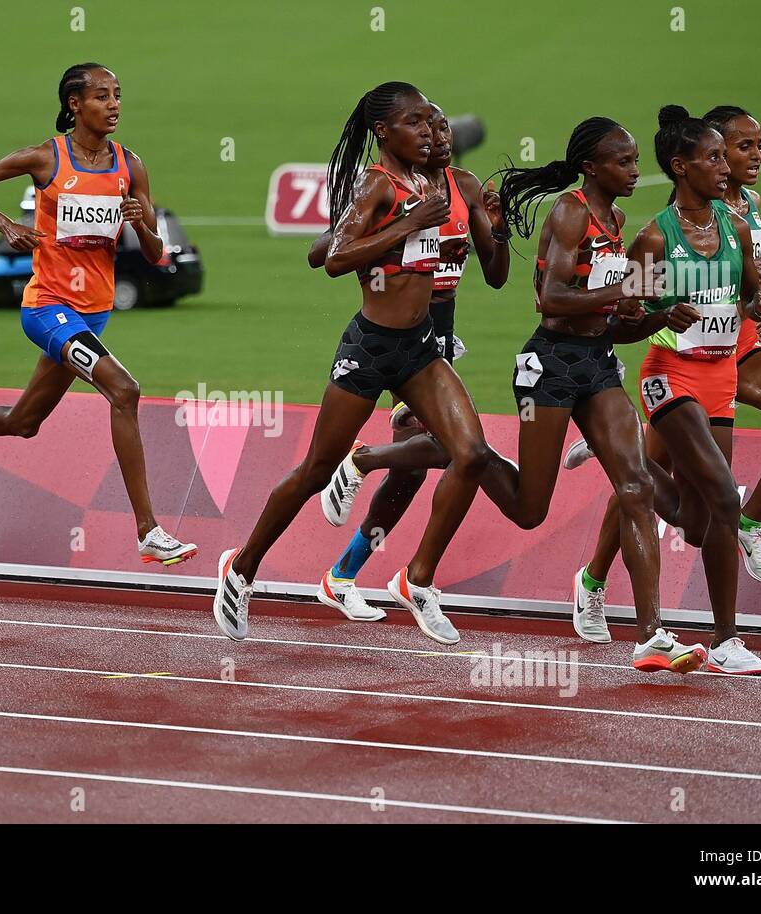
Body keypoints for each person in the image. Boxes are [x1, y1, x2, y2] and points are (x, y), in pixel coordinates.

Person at [324, 117, 710, 672]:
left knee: (636, 485)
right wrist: (618, 291)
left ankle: (650, 634)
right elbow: (551, 300)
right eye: (623, 162)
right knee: (528, 508)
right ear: (590, 167)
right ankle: (440, 470)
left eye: (633, 161)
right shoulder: (570, 212)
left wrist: (653, 314)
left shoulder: (618, 221)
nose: (634, 170)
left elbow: (612, 319)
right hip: (548, 368)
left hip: (598, 367)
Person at [212, 82, 490, 645]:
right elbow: (336, 259)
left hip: (419, 349)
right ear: (383, 133)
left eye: (428, 123)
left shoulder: (427, 184)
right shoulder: (377, 184)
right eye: (412, 124)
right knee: (316, 470)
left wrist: (455, 237)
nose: (427, 133)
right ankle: (241, 568)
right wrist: (410, 226)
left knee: (471, 454)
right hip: (369, 349)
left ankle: (419, 580)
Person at [0, 63, 196, 567]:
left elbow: (154, 255)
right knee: (123, 390)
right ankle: (148, 530)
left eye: (118, 95)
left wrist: (140, 226)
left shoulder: (131, 165)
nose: (114, 105)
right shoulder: (47, 158)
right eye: (102, 96)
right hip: (48, 307)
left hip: (94, 313)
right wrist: (5, 224)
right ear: (74, 104)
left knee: (24, 422)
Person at [567, 105, 761, 588]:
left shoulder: (749, 207)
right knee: (648, 481)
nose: (752, 156)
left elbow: (743, 276)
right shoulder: (674, 221)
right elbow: (647, 292)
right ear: (708, 153)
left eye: (759, 144)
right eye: (739, 147)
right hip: (681, 356)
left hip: (738, 347)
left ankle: (747, 524)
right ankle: (595, 580)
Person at [306, 106, 510, 621]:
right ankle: (360, 462)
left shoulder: (463, 188)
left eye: (444, 128)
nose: (437, 136)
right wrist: (338, 238)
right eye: (428, 128)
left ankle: (342, 574)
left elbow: (496, 274)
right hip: (397, 331)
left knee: (420, 467)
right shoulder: (394, 189)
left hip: (436, 331)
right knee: (451, 450)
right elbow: (329, 253)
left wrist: (499, 226)